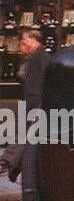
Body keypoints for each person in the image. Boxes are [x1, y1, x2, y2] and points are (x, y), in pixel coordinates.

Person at [3, 29, 50, 182]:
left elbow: (37, 85)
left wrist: (34, 106)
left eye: (24, 40)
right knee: (26, 135)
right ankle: (10, 165)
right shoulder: (34, 57)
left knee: (26, 136)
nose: (21, 43)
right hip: (33, 103)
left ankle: (10, 165)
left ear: (33, 39)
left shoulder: (39, 57)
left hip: (35, 104)